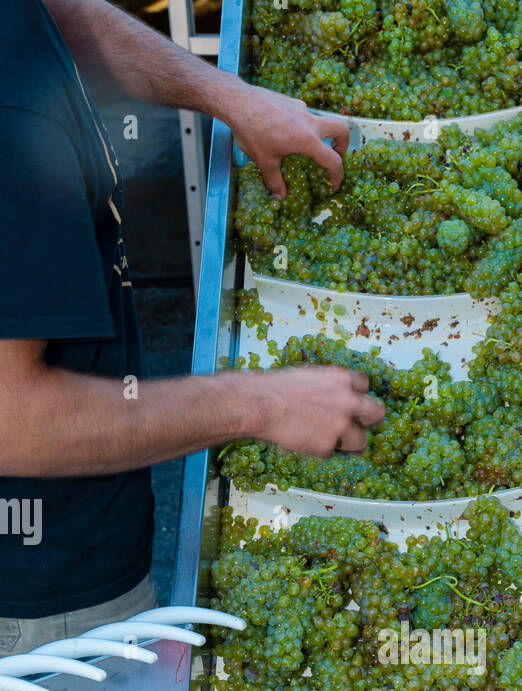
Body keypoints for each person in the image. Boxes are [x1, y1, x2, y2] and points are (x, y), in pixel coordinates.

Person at [0, 0, 385, 656]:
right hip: (42, 603)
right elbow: (15, 420)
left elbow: (54, 16)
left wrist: (228, 95)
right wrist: (258, 401)